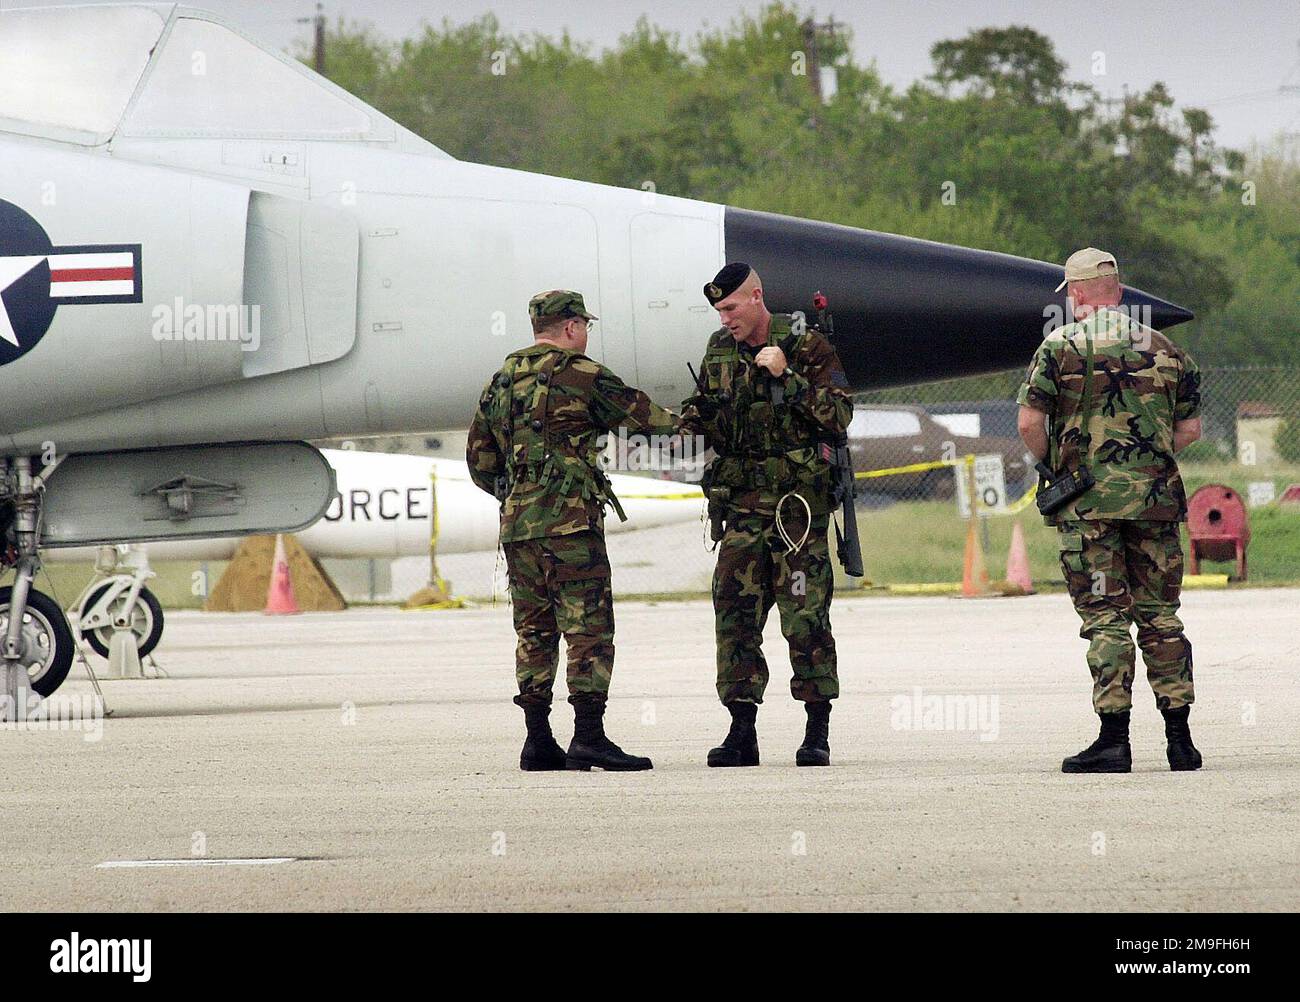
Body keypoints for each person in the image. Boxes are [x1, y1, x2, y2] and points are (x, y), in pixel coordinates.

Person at [466, 290, 677, 771]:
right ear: (570, 328)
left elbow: (479, 462)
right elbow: (650, 420)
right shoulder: (583, 375)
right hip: (572, 527)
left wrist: (520, 494)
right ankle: (589, 736)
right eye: (584, 325)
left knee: (534, 630)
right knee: (588, 630)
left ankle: (538, 741)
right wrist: (705, 422)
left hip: (518, 529)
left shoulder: (499, 382)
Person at [1017, 248, 1204, 774]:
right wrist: (1146, 463)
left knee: (1105, 617)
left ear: (1076, 295)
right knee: (1161, 616)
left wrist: (1054, 463)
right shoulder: (1166, 348)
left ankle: (1113, 740)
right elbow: (1189, 430)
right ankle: (1180, 740)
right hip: (1156, 503)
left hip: (1088, 507)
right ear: (1118, 293)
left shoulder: (1059, 347)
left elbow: (1031, 422)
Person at [679, 262, 853, 767]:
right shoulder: (719, 351)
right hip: (741, 511)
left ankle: (816, 730)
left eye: (731, 307)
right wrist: (683, 426)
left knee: (806, 619)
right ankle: (741, 730)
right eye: (719, 310)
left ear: (757, 297)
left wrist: (788, 377)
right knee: (734, 617)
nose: (725, 318)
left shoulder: (807, 345)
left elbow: (840, 415)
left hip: (794, 514)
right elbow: (704, 408)